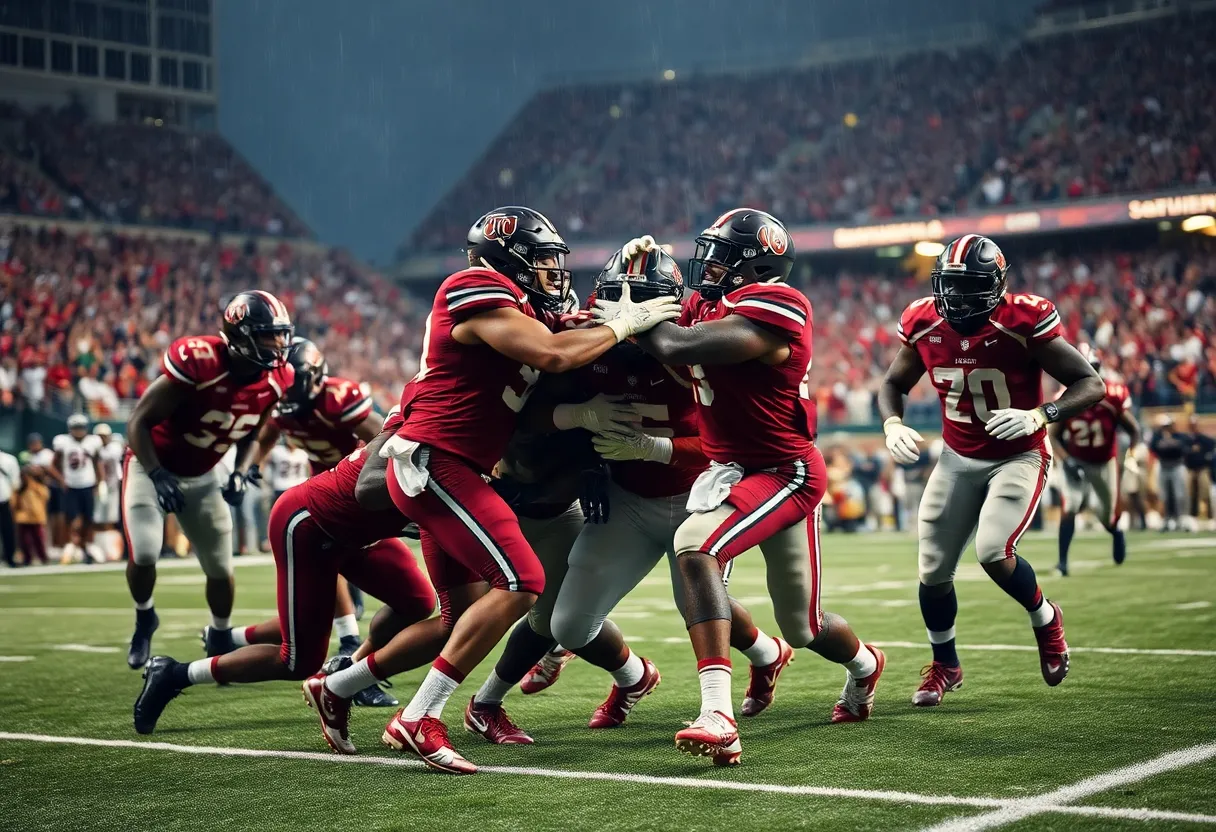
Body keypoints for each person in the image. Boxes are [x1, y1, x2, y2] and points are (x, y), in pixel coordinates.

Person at [312, 206, 681, 774]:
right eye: (542, 260)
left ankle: (341, 687)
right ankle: (420, 716)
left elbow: (577, 331)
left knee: (471, 609)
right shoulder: (474, 285)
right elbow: (555, 353)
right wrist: (625, 324)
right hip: (440, 459)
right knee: (522, 582)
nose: (553, 271)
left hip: (464, 468)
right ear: (507, 258)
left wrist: (626, 279)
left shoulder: (526, 306)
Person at [603, 211, 883, 767]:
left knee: (800, 625)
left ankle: (859, 668)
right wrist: (627, 276)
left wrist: (634, 311)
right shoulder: (707, 304)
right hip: (729, 469)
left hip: (785, 471)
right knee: (701, 562)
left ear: (755, 265)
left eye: (721, 254)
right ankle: (724, 707)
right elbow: (649, 328)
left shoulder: (780, 304)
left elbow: (675, 346)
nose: (706, 264)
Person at [878, 234, 1104, 708]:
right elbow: (894, 383)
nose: (955, 298)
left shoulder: (1023, 320)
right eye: (949, 286)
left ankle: (1046, 619)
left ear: (995, 287)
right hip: (958, 456)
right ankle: (946, 664)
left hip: (1018, 453)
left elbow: (1090, 383)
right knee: (933, 568)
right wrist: (892, 421)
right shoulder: (923, 321)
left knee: (992, 550)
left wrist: (1042, 414)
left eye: (968, 287)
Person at [132, 411, 436, 737]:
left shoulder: (419, 414)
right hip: (312, 523)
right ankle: (174, 674)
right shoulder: (420, 419)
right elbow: (371, 480)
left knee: (417, 601)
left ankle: (347, 669)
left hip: (360, 531)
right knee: (298, 661)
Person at [123, 290, 294, 670]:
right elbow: (138, 421)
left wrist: (239, 469)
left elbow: (254, 430)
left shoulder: (279, 376)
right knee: (147, 550)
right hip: (152, 464)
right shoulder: (199, 361)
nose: (279, 344)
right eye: (269, 335)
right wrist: (155, 473)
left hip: (203, 474)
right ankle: (144, 615)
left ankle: (219, 632)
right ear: (242, 334)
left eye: (282, 334)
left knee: (220, 566)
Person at [227, 337, 391, 706]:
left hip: (357, 485)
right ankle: (351, 646)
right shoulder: (283, 405)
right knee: (321, 579)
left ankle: (231, 639)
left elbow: (385, 440)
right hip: (324, 491)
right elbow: (266, 435)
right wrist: (250, 466)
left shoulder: (339, 397)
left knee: (335, 596)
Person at [1051, 347, 1140, 573]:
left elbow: (1133, 430)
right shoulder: (1066, 397)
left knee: (1106, 515)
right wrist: (1066, 460)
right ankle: (1063, 562)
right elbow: (1054, 434)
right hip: (1077, 459)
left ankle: (1115, 531)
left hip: (1103, 461)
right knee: (1069, 506)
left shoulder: (1113, 396)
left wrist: (1129, 457)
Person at [52, 413, 104, 563]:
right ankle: (70, 546)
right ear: (70, 429)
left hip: (88, 484)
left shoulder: (93, 442)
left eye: (81, 428)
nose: (79, 431)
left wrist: (99, 481)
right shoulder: (63, 442)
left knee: (88, 518)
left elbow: (97, 463)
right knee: (71, 519)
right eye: (76, 428)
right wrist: (61, 480)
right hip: (71, 486)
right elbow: (53, 465)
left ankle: (85, 546)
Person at [93, 424, 126, 562]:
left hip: (114, 487)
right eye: (99, 436)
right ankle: (100, 550)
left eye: (104, 436)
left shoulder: (114, 448)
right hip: (99, 486)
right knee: (98, 520)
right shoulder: (94, 449)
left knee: (112, 519)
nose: (102, 439)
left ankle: (112, 550)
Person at [1149, 415, 1187, 531]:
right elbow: (1154, 448)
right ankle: (1167, 519)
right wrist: (1167, 443)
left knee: (1178, 495)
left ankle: (1179, 519)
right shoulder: (1157, 437)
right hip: (1164, 466)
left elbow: (1180, 448)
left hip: (1176, 466)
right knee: (1165, 495)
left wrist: (1167, 443)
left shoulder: (1179, 436)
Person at [13, 465, 49, 565]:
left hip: (37, 517)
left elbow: (45, 496)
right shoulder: (19, 489)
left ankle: (43, 558)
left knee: (39, 539)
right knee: (24, 541)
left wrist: (31, 483)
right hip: (23, 517)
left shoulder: (38, 487)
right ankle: (27, 558)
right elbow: (14, 503)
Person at [1182, 415, 1214, 525]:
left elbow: (1211, 445)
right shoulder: (1186, 440)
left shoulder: (1204, 439)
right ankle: (1193, 518)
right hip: (1190, 470)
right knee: (1191, 495)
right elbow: (1182, 451)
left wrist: (1203, 455)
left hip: (1202, 469)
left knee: (1205, 493)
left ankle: (1210, 518)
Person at [0, 448, 20, 567]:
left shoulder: (9, 459)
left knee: (8, 531)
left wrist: (14, 501)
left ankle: (10, 558)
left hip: (5, 500)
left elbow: (15, 482)